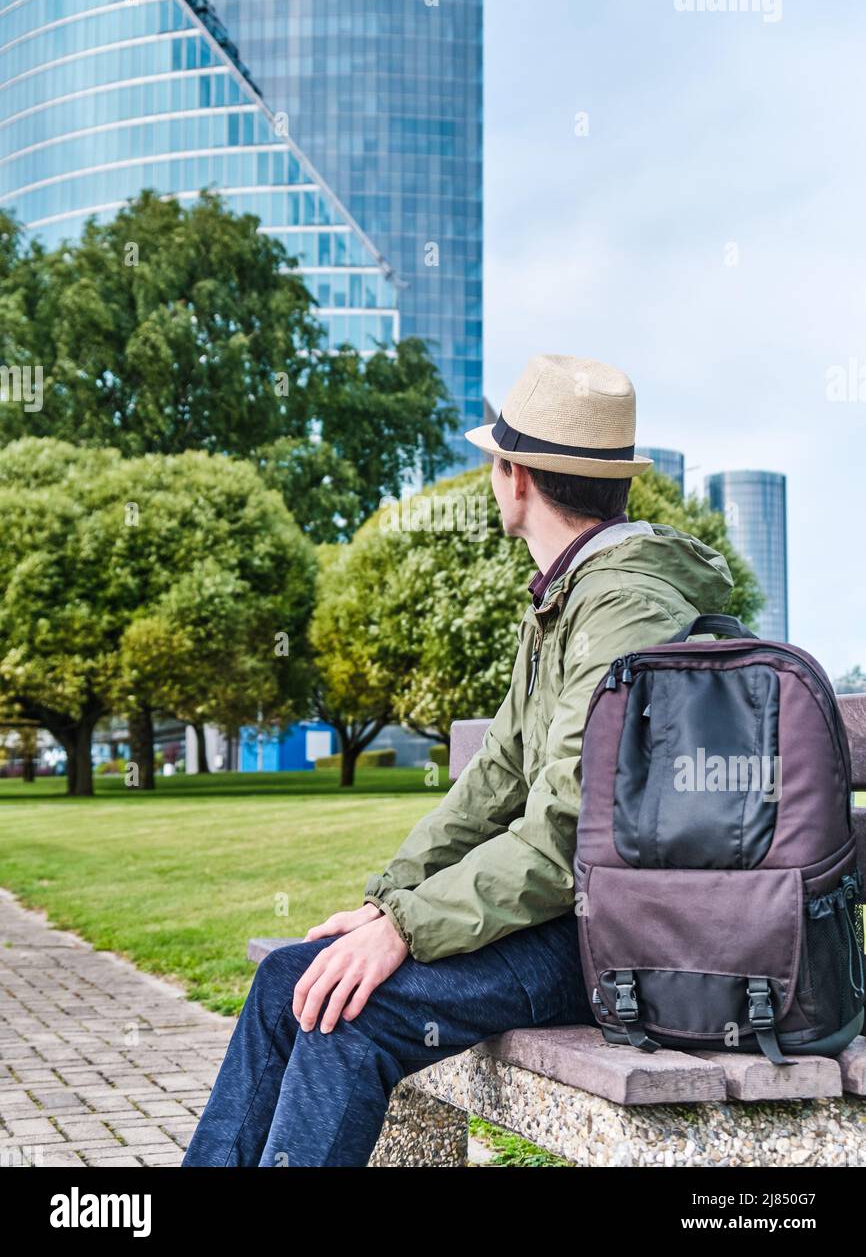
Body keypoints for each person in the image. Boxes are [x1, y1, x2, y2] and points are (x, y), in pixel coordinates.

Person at [182, 354, 734, 1167]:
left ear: (515, 479)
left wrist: (408, 929)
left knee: (347, 1010)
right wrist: (388, 902)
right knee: (287, 985)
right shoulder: (569, 596)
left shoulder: (627, 608)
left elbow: (566, 835)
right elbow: (492, 782)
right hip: (578, 922)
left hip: (627, 941)